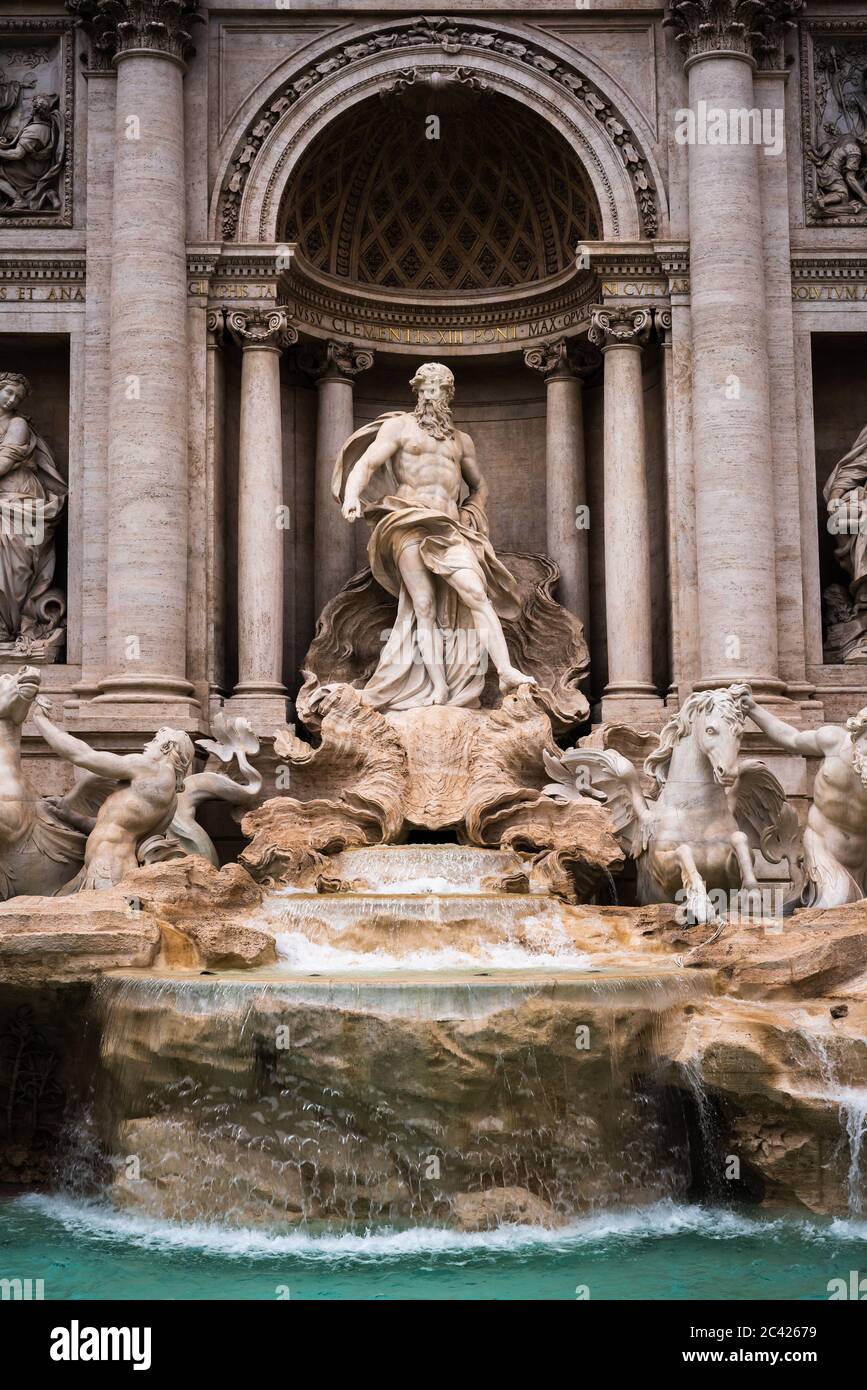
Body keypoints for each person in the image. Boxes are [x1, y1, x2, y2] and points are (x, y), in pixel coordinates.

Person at [332, 362, 532, 710]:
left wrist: (473, 509)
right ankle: (438, 688)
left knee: (477, 593)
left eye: (436, 389)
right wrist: (351, 497)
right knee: (422, 606)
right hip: (407, 521)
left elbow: (480, 484)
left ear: (448, 394)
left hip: (450, 527)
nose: (428, 395)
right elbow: (365, 464)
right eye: (423, 388)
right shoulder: (400, 427)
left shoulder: (461, 441)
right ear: (416, 392)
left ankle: (505, 672)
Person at [31, 708, 194, 891]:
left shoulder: (151, 768)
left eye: (155, 740)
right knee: (127, 914)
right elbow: (115, 827)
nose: (147, 744)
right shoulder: (170, 798)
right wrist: (71, 816)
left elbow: (82, 755)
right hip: (107, 867)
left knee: (114, 918)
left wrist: (40, 720)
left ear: (166, 747)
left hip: (108, 868)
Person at [744, 690, 867, 907]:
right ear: (861, 731)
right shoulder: (833, 741)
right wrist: (753, 709)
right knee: (834, 905)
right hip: (823, 847)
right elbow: (790, 738)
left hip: (862, 860)